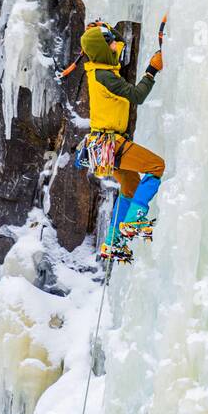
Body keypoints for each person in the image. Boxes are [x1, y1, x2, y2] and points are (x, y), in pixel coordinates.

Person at [79, 20, 164, 258]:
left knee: (130, 185)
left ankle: (113, 240)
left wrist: (105, 27)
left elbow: (120, 41)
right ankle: (133, 222)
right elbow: (137, 96)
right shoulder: (105, 76)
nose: (116, 46)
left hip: (99, 147)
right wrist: (151, 70)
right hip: (110, 144)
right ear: (103, 49)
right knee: (157, 166)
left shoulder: (98, 70)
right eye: (110, 44)